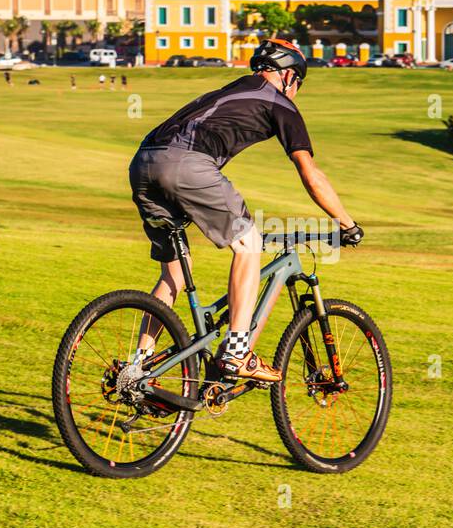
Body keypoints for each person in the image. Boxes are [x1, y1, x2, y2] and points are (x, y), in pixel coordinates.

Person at [129, 38, 362, 383]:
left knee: (174, 274)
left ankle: (138, 369)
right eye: (298, 82)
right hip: (185, 165)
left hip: (142, 163)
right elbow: (310, 175)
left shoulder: (229, 90)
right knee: (249, 243)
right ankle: (236, 352)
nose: (296, 90)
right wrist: (346, 223)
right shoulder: (279, 103)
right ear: (287, 76)